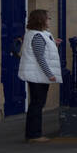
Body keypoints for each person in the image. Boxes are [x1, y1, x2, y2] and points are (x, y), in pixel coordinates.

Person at [20, 8, 61, 142]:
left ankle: (33, 133)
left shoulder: (39, 34)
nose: (49, 20)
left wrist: (54, 45)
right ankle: (34, 134)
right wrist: (50, 74)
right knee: (37, 104)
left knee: (37, 103)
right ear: (41, 20)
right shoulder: (37, 36)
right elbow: (40, 57)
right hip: (38, 75)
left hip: (37, 74)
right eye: (48, 18)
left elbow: (41, 52)